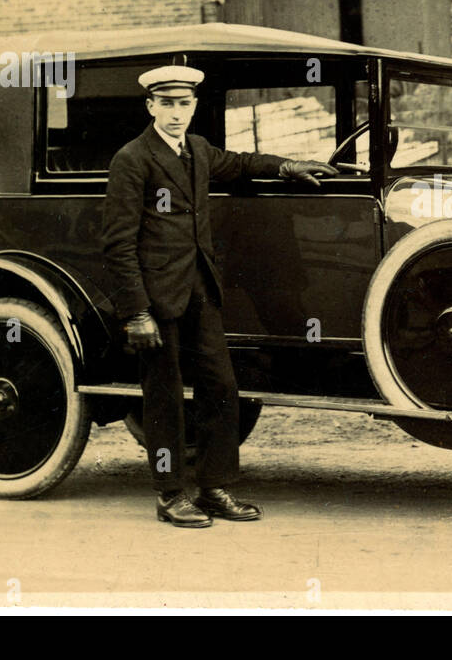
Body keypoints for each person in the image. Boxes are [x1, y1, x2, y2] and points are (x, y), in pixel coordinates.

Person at [101, 62, 338, 528]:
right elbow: (117, 243)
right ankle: (170, 495)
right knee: (164, 396)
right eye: (166, 104)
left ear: (193, 106)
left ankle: (214, 488)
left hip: (200, 293)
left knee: (222, 388)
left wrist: (287, 166)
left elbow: (242, 163)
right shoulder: (132, 159)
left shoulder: (197, 150)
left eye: (183, 104)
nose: (175, 113)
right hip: (155, 299)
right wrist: (136, 313)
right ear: (150, 106)